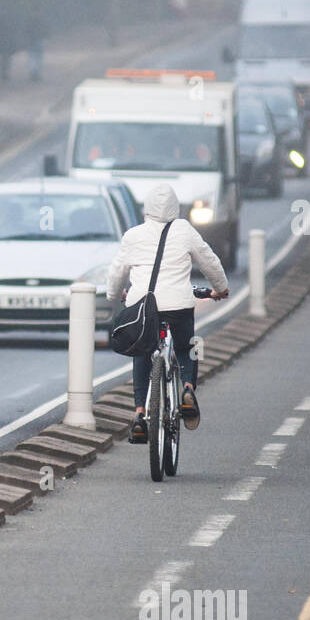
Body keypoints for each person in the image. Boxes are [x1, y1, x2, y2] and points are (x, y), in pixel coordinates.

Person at [107, 183, 229, 443]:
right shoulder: (185, 230)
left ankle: (140, 414)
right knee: (187, 347)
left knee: (142, 351)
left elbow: (117, 273)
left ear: (147, 208)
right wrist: (221, 288)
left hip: (143, 307)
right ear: (175, 208)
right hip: (178, 307)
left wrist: (114, 294)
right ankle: (187, 388)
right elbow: (210, 261)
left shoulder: (133, 235)